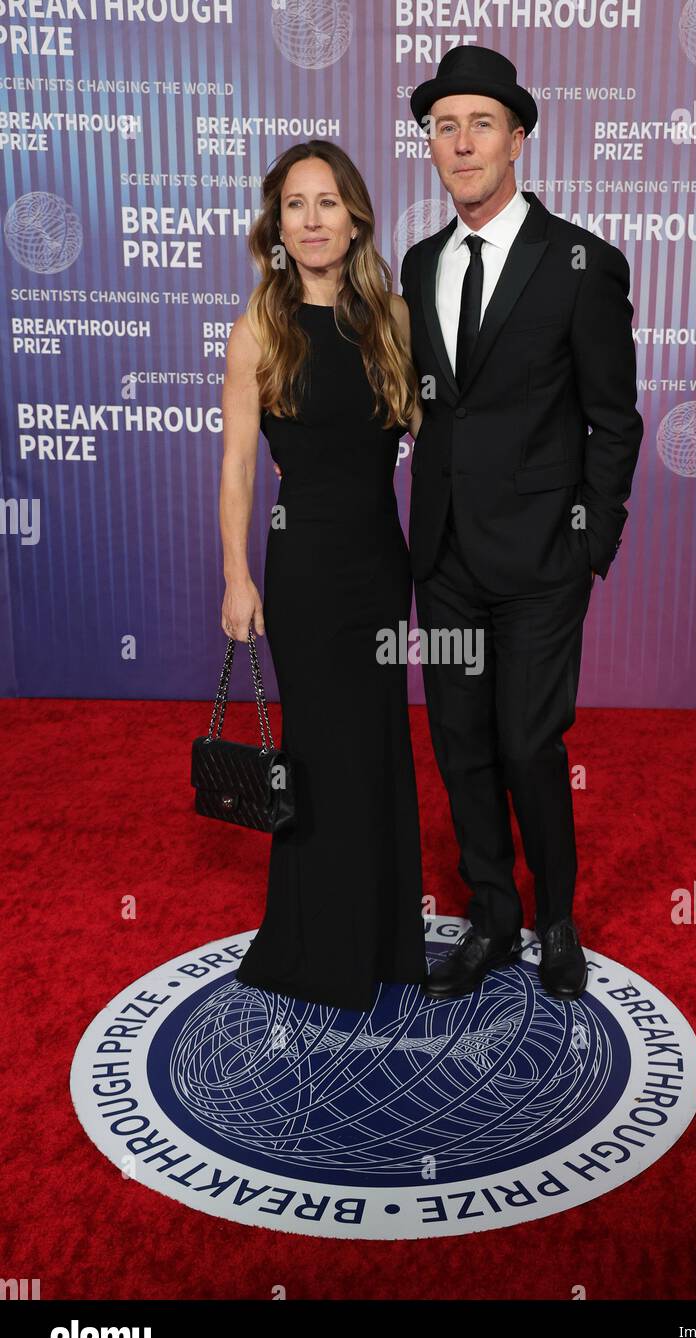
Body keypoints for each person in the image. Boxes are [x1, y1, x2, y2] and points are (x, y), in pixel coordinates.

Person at [400, 45, 644, 1001]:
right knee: (459, 739)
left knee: (527, 742)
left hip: (544, 557)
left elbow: (613, 418)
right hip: (445, 556)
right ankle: (492, 915)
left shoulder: (582, 263)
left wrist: (593, 541)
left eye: (480, 125)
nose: (461, 144)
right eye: (444, 127)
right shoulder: (419, 264)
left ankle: (556, 919)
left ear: (520, 140)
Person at [221, 139, 428, 1011]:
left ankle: (383, 937)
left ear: (355, 218)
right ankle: (317, 944)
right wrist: (237, 577)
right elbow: (237, 467)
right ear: (278, 225)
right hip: (300, 563)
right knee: (318, 749)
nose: (312, 220)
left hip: (381, 563)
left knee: (378, 739)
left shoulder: (392, 317)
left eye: (327, 202)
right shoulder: (260, 326)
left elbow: (428, 426)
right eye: (296, 205)